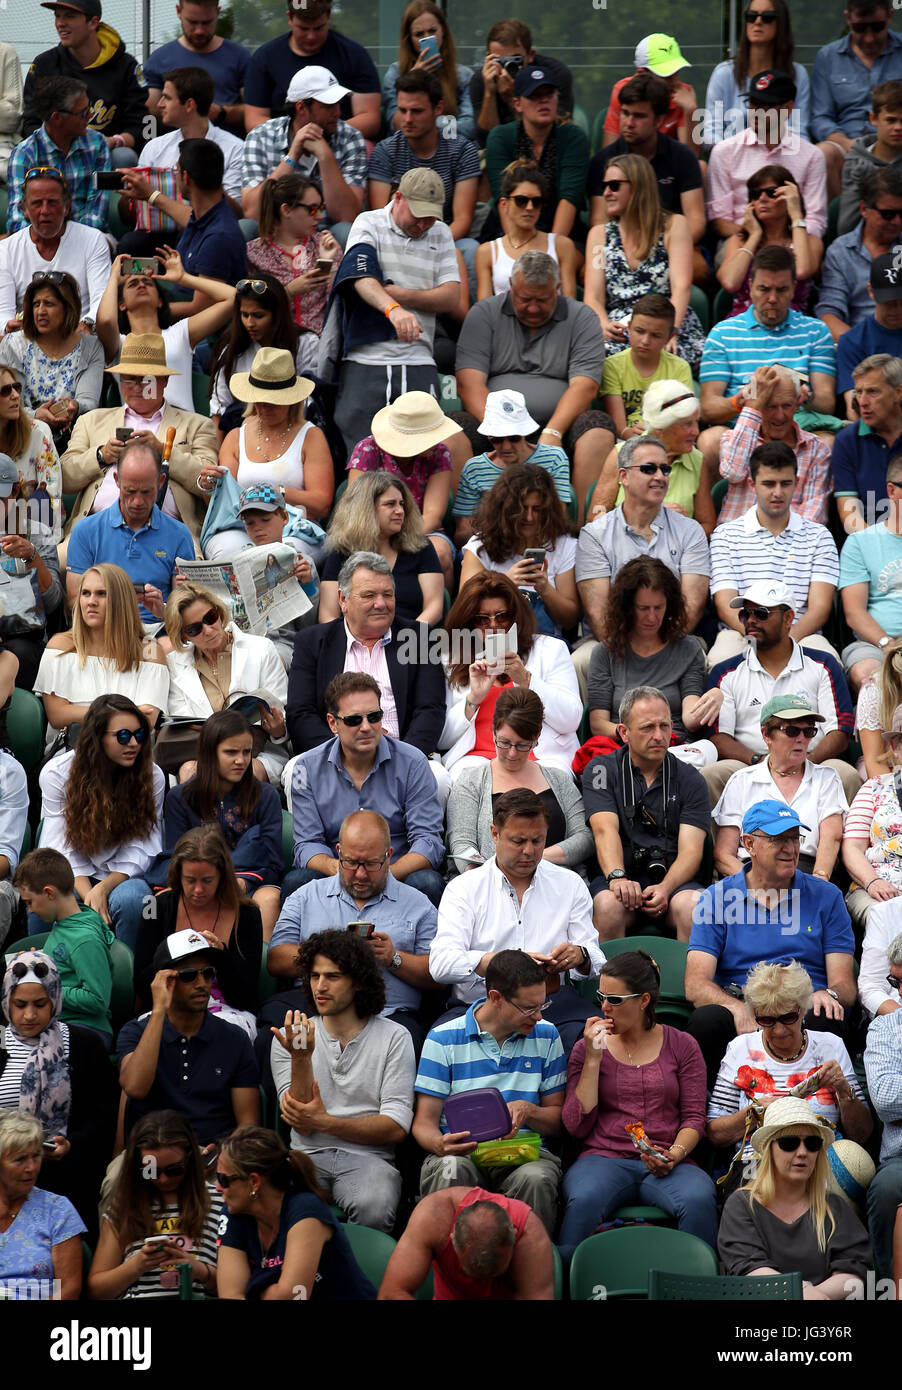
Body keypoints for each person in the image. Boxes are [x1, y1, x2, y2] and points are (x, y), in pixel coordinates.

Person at [558, 949, 716, 1261]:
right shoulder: (586, 1046)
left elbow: (694, 1117)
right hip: (603, 1156)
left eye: (615, 1000)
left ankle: (699, 1285)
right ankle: (565, 1282)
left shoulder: (683, 1045)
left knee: (699, 1198)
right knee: (584, 1198)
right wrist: (592, 1057)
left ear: (644, 1001)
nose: (604, 1008)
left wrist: (675, 1154)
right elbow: (576, 1125)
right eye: (602, 997)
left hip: (667, 1156)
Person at [686, 801, 857, 1086]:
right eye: (778, 839)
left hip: (805, 1004)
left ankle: (829, 1110)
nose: (791, 849)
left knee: (826, 1015)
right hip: (743, 999)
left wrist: (829, 994)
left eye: (794, 838)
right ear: (749, 843)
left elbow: (846, 987)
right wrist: (738, 1009)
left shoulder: (827, 896)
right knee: (707, 1020)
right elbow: (695, 984)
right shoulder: (716, 898)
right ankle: (708, 1116)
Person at [429, 789, 604, 1054]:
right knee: (439, 1045)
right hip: (481, 1007)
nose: (529, 851)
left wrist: (580, 956)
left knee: (598, 1039)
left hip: (552, 1004)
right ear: (494, 833)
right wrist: (502, 964)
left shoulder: (569, 884)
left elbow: (596, 960)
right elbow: (441, 965)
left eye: (538, 840)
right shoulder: (463, 888)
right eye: (518, 841)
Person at [270, 929, 416, 1232]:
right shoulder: (293, 1036)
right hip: (305, 1157)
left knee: (374, 1207)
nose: (320, 987)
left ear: (359, 981)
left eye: (333, 977)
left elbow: (395, 1126)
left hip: (370, 1158)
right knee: (277, 1203)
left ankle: (359, 1277)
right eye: (314, 976)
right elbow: (301, 1123)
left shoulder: (395, 1036)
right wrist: (301, 1057)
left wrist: (327, 1122)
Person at [412, 950, 565, 1233]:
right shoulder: (443, 1038)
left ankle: (530, 1267)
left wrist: (529, 1110)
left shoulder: (547, 1034)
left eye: (542, 1005)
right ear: (496, 998)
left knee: (537, 1178)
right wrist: (438, 1144)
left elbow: (558, 1122)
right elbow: (423, 1124)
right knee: (451, 1170)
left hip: (524, 1153)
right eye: (528, 1008)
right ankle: (449, 1268)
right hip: (460, 1153)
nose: (538, 1016)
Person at [317, 166, 462, 461]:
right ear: (398, 197)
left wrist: (402, 295)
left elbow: (451, 296)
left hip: (419, 357)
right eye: (418, 215)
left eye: (430, 216)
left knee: (422, 457)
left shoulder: (441, 232)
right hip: (365, 358)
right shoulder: (369, 222)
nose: (423, 224)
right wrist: (393, 309)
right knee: (361, 456)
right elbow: (360, 277)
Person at [455, 250, 612, 524]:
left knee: (597, 428)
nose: (533, 308)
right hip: (493, 423)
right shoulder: (484, 313)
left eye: (542, 299)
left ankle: (579, 530)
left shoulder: (582, 317)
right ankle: (466, 528)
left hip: (557, 425)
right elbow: (469, 384)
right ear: (511, 288)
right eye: (524, 299)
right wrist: (502, 430)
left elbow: (585, 385)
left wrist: (553, 431)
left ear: (558, 289)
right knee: (453, 430)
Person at [267, 809, 438, 1049]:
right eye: (351, 862)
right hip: (316, 1010)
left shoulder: (419, 904)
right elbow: (276, 960)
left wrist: (394, 958)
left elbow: (439, 974)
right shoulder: (305, 897)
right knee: (271, 1030)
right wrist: (325, 955)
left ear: (388, 856)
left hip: (387, 1016)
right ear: (338, 853)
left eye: (370, 864)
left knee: (407, 1042)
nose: (360, 874)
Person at [286, 670, 445, 907]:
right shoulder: (305, 768)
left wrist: (384, 874)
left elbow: (428, 841)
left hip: (397, 873)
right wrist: (343, 871)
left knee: (428, 882)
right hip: (336, 876)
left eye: (374, 717)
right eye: (353, 720)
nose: (366, 727)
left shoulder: (413, 762)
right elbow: (307, 845)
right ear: (333, 723)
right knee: (298, 881)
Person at [708, 961, 872, 1189]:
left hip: (819, 1161)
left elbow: (862, 1135)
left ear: (802, 1009)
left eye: (788, 1018)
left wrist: (844, 1091)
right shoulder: (740, 1049)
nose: (779, 1030)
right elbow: (715, 1134)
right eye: (766, 1020)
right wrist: (754, 1114)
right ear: (755, 1015)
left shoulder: (830, 1046)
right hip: (757, 1163)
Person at [574, 436, 711, 698]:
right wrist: (639, 652)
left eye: (665, 469)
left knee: (705, 658)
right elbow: (601, 618)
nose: (660, 476)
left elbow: (691, 610)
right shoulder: (595, 535)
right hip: (612, 645)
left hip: (673, 641)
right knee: (579, 661)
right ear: (623, 476)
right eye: (649, 469)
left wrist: (655, 649)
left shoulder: (690, 531)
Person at [701, 580, 858, 806]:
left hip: (813, 763)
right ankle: (725, 843)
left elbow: (840, 731)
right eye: (746, 614)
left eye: (762, 613)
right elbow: (718, 736)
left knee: (846, 775)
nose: (752, 620)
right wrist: (758, 760)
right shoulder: (725, 671)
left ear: (787, 619)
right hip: (749, 765)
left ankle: (846, 842)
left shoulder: (823, 665)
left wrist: (805, 763)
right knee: (712, 775)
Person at [0, 949, 117, 1244]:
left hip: (69, 1175)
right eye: (20, 1004)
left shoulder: (84, 1044)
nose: (29, 1015)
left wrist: (72, 1144)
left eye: (40, 1004)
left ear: (55, 999)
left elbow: (104, 1116)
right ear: (6, 1002)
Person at [61, 334, 217, 552]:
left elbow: (209, 483)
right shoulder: (91, 421)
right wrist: (100, 456)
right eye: (128, 378)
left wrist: (165, 452)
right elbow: (63, 478)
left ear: (163, 381)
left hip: (169, 534)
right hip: (96, 530)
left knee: (188, 578)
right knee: (58, 563)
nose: (136, 386)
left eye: (145, 379)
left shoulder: (197, 425)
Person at [286, 551, 446, 757]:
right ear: (343, 599)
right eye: (369, 595)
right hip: (330, 759)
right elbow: (300, 713)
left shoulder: (420, 638)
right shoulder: (312, 642)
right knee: (293, 775)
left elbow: (430, 709)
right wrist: (338, 758)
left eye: (387, 595)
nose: (380, 604)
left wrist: (404, 759)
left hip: (404, 758)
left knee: (439, 781)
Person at [583, 687, 711, 943]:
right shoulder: (601, 769)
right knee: (608, 906)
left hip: (674, 883)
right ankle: (607, 984)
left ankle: (692, 982)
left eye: (665, 726)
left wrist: (666, 887)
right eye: (647, 727)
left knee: (696, 906)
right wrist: (618, 877)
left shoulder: (691, 778)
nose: (659, 736)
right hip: (619, 878)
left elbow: (691, 851)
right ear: (624, 732)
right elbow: (604, 830)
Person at [37, 695, 164, 951]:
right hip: (72, 872)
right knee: (45, 893)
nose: (134, 744)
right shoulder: (57, 774)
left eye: (140, 735)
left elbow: (144, 845)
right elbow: (60, 845)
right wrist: (89, 893)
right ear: (97, 736)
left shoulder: (152, 776)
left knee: (135, 901)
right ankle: (45, 975)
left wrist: (104, 888)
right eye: (123, 736)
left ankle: (131, 982)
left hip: (123, 875)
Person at [697, 248, 837, 470]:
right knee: (710, 440)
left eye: (781, 290)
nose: (772, 298)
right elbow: (708, 408)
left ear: (793, 289)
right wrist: (743, 400)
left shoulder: (816, 332)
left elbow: (827, 402)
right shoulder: (723, 333)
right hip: (742, 430)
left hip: (797, 428)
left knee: (828, 442)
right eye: (764, 289)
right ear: (750, 287)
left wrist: (804, 396)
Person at [117, 928, 260, 1144]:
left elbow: (248, 1126)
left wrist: (221, 1154)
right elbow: (135, 1087)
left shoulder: (235, 1038)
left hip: (216, 1163)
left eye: (208, 973)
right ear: (163, 980)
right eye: (189, 975)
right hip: (152, 1160)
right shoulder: (135, 1032)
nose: (202, 983)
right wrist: (158, 1011)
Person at [718, 1096, 870, 1296]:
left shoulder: (834, 1206)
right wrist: (800, 1293)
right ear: (769, 1150)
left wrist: (811, 1296)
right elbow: (749, 1268)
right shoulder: (741, 1205)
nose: (802, 1152)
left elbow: (853, 1272)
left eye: (812, 1143)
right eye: (789, 1143)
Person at [707, 441, 839, 668]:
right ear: (752, 484)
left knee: (829, 663)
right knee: (720, 659)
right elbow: (725, 604)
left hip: (801, 634)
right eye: (768, 484)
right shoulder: (725, 535)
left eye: (785, 483)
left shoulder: (819, 536)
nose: (778, 492)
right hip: (740, 633)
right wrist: (761, 638)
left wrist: (784, 642)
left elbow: (819, 608)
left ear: (796, 483)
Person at [440, 572, 582, 777]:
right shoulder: (450, 658)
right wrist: (474, 698)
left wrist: (525, 680)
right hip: (476, 757)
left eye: (502, 616)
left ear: (516, 616)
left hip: (541, 756)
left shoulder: (551, 649)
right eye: (482, 619)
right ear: (469, 622)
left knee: (553, 778)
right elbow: (442, 738)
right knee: (467, 778)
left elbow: (571, 720)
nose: (494, 626)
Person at [215, 1124, 376, 1299]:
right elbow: (230, 1294)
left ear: (254, 1182)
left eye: (223, 1179)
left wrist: (250, 1291)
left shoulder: (306, 1209)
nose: (217, 1188)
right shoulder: (234, 1212)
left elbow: (293, 1296)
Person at [446, 686, 594, 876]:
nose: (512, 753)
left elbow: (584, 837)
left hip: (557, 884)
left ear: (537, 738)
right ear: (493, 731)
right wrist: (490, 876)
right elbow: (462, 843)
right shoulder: (471, 780)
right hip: (489, 885)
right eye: (505, 742)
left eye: (523, 745)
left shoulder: (558, 780)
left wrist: (533, 858)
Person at [159, 713, 283, 941]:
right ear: (209, 753)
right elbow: (174, 860)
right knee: (167, 898)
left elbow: (274, 863)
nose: (241, 760)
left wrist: (243, 883)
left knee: (268, 899)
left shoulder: (266, 796)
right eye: (231, 752)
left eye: (246, 752)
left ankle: (260, 975)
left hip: (251, 883)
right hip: (198, 883)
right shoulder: (180, 798)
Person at [133, 824, 263, 1032]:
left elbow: (245, 994)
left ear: (222, 876)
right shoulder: (154, 906)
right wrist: (173, 957)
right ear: (178, 875)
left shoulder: (248, 914)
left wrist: (221, 956)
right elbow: (141, 982)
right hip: (168, 1008)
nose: (198, 890)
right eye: (190, 880)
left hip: (229, 1014)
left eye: (208, 880)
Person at [584, 153, 703, 375]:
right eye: (604, 186)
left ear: (638, 186)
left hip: (666, 322)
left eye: (614, 185)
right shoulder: (598, 235)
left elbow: (681, 287)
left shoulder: (673, 226)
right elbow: (593, 296)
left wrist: (671, 330)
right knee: (595, 361)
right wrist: (603, 324)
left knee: (685, 355)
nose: (606, 193)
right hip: (621, 329)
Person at [63, 434, 200, 624]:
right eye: (130, 491)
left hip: (157, 636)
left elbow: (183, 608)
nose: (138, 501)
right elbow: (74, 602)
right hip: (102, 632)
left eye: (146, 492)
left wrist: (163, 609)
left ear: (161, 482)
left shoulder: (179, 534)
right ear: (117, 481)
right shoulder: (86, 530)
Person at [586, 558, 720, 752]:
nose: (651, 617)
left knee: (707, 750)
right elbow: (598, 724)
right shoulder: (604, 653)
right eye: (643, 608)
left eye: (659, 608)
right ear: (627, 607)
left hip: (674, 748)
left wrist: (717, 694)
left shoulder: (688, 648)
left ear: (670, 605)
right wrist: (638, 734)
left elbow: (690, 720)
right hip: (623, 748)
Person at [87, 1109, 223, 1300]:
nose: (164, 1179)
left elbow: (240, 1285)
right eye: (151, 1171)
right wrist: (136, 1265)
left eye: (174, 1170)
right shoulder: (123, 1208)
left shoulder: (219, 1203)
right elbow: (96, 1291)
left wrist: (201, 1271)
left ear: (190, 1160)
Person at [163, 581, 289, 786]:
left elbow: (284, 713)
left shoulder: (261, 649)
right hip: (202, 754)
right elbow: (183, 723)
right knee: (189, 771)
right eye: (195, 629)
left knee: (246, 770)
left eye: (210, 618)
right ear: (183, 635)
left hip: (258, 752)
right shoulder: (175, 664)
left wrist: (278, 728)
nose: (208, 629)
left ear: (219, 612)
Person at [712, 695, 848, 881]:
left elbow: (831, 838)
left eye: (808, 732)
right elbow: (723, 854)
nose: (801, 738)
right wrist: (755, 886)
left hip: (807, 873)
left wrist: (817, 884)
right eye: (792, 731)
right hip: (752, 874)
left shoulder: (827, 778)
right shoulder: (741, 781)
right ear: (766, 734)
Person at [35, 564, 169, 751]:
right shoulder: (59, 646)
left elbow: (146, 720)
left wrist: (83, 712)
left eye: (102, 594)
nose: (91, 601)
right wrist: (122, 712)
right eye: (86, 593)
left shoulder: (149, 652)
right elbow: (57, 715)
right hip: (74, 750)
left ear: (121, 600)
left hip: (130, 753)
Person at [212, 345, 333, 541]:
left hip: (295, 528)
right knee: (227, 547)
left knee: (287, 553)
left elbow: (322, 504)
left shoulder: (311, 436)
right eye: (259, 398)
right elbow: (222, 500)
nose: (264, 406)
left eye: (273, 400)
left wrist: (278, 492)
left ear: (291, 400)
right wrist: (209, 485)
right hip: (244, 526)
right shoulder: (235, 436)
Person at [95, 250, 237, 415]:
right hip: (136, 432)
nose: (141, 284)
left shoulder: (181, 333)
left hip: (181, 431)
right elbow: (105, 320)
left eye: (148, 283)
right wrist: (113, 279)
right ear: (121, 304)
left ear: (160, 300)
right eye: (133, 284)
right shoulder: (118, 342)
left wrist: (184, 278)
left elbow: (233, 298)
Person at [366, 70, 480, 275]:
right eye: (402, 110)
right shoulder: (385, 151)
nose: (407, 119)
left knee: (470, 249)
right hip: (395, 240)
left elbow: (462, 220)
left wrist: (429, 244)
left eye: (416, 111)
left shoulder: (462, 150)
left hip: (444, 237)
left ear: (438, 108)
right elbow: (382, 218)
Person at [346, 390, 459, 587]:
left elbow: (432, 515)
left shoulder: (440, 453)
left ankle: (444, 614)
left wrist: (402, 540)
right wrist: (385, 539)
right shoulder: (367, 449)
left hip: (423, 530)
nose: (438, 440)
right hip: (372, 529)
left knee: (440, 552)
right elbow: (357, 508)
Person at [705, 70, 827, 244]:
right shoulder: (724, 151)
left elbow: (816, 220)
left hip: (792, 244)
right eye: (753, 104)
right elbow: (718, 220)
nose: (755, 112)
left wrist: (785, 243)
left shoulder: (812, 156)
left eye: (765, 106)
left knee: (814, 249)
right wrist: (758, 239)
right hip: (740, 241)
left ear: (788, 108)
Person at [121, 139, 247, 306]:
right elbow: (186, 217)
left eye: (176, 171)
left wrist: (143, 310)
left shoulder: (219, 238)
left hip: (194, 322)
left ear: (186, 177)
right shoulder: (208, 215)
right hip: (175, 291)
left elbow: (198, 309)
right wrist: (127, 269)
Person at [587, 73, 705, 251]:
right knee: (585, 271)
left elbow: (696, 221)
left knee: (700, 270)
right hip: (619, 248)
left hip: (672, 244)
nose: (629, 123)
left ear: (659, 120)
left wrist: (662, 250)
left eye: (639, 116)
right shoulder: (603, 160)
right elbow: (598, 221)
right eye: (625, 113)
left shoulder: (682, 156)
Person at [241, 65, 366, 231]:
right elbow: (253, 213)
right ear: (301, 107)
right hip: (275, 234)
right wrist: (292, 156)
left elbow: (347, 216)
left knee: (345, 231)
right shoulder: (260, 136)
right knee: (245, 228)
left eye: (338, 104)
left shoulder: (350, 137)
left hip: (326, 236)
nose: (337, 112)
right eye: (328, 106)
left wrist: (325, 156)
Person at [459, 464, 578, 638]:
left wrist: (545, 590)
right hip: (493, 640)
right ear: (505, 509)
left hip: (543, 642)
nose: (529, 517)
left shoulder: (565, 545)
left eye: (536, 509)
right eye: (522, 509)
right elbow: (464, 609)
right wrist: (505, 584)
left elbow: (569, 620)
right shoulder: (479, 546)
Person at [15, 842, 114, 1047]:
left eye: (29, 902)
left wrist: (46, 986)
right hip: (58, 1024)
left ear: (50, 893)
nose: (30, 911)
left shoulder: (85, 939)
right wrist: (37, 965)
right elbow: (64, 971)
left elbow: (98, 1000)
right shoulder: (63, 925)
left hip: (87, 1030)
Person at [378, 1185, 554, 1300]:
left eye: (494, 1274)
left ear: (514, 1237)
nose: (482, 1285)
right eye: (472, 1273)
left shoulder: (530, 1234)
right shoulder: (434, 1216)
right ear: (452, 1238)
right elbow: (390, 1294)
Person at [24, 0, 145, 162]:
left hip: (107, 152)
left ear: (93, 22)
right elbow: (30, 123)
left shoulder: (126, 65)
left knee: (124, 156)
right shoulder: (44, 64)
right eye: (57, 16)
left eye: (70, 16)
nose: (60, 23)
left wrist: (115, 141)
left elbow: (141, 125)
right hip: (56, 152)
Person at [242, 0, 381, 140]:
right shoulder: (265, 57)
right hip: (282, 147)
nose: (311, 36)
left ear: (329, 17)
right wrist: (295, 139)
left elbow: (369, 119)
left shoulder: (353, 54)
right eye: (303, 28)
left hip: (341, 143)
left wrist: (327, 135)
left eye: (318, 28)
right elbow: (254, 120)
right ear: (289, 17)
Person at [320, 471, 442, 626]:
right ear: (366, 509)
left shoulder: (420, 546)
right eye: (390, 504)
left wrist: (411, 636)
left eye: (402, 504)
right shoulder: (341, 551)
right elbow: (327, 614)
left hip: (409, 640)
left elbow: (434, 607)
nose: (400, 511)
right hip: (356, 644)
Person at [716, 364, 832, 526]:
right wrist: (752, 405)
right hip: (737, 544)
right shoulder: (732, 438)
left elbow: (813, 517)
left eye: (786, 406)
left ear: (797, 403)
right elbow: (733, 472)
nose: (779, 416)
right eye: (770, 406)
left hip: (791, 545)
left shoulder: (816, 449)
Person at [126, 66, 243, 226]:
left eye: (167, 98)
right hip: (157, 232)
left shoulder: (234, 148)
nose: (159, 104)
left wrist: (208, 182)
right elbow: (134, 212)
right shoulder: (155, 147)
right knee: (131, 243)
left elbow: (234, 214)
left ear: (189, 105)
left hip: (208, 231)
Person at [452, 389, 571, 543]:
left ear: (525, 434)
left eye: (514, 438)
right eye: (497, 439)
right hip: (491, 545)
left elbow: (557, 517)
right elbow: (463, 532)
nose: (506, 446)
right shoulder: (474, 468)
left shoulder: (554, 458)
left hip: (540, 541)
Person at [484, 66, 587, 244]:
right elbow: (504, 199)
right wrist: (517, 250)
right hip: (510, 233)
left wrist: (552, 251)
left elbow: (569, 199)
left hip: (563, 234)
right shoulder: (500, 137)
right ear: (517, 104)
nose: (543, 101)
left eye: (549, 94)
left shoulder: (573, 136)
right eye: (534, 96)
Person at [592, 381, 714, 530]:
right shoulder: (620, 455)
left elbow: (707, 525)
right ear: (661, 428)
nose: (696, 431)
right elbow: (595, 517)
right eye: (687, 424)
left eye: (696, 422)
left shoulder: (697, 460)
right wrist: (642, 520)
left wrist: (683, 526)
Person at [0, 270, 103, 444]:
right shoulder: (13, 344)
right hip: (20, 437)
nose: (40, 311)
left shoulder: (91, 347)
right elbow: (4, 400)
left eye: (49, 304)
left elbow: (88, 402)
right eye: (35, 304)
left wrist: (74, 406)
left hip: (73, 440)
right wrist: (36, 416)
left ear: (68, 307)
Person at [812, 0, 902, 199]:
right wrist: (846, 142)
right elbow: (820, 117)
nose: (869, 38)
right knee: (822, 154)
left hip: (897, 138)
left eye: (877, 27)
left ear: (890, 16)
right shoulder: (828, 56)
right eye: (860, 28)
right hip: (847, 144)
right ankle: (838, 223)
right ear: (847, 18)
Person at [0, 168, 109, 329]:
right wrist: (9, 326)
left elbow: (102, 301)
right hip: (28, 340)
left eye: (52, 202)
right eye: (37, 203)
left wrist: (87, 324)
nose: (45, 211)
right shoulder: (6, 249)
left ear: (67, 207)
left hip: (81, 338)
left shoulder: (93, 239)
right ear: (24, 210)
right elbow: (3, 313)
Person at [6, 76, 109, 235]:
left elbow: (97, 209)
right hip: (39, 239)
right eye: (83, 113)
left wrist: (71, 242)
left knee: (105, 244)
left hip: (88, 237)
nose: (90, 115)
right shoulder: (24, 153)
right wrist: (51, 241)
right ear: (57, 118)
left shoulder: (97, 143)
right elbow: (17, 217)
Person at [208, 275, 307, 438]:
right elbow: (218, 409)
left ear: (277, 314)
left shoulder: (304, 343)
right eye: (244, 315)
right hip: (241, 437)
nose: (249, 323)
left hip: (294, 435)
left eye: (258, 315)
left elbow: (308, 404)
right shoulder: (232, 349)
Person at [717, 165, 822, 317]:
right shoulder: (739, 241)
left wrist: (796, 214)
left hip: (793, 327)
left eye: (772, 192)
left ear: (790, 198)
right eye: (755, 194)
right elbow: (730, 283)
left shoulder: (810, 241)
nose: (762, 198)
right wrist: (754, 236)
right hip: (744, 327)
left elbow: (801, 270)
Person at [0, 1109, 84, 1300]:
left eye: (36, 1156)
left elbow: (69, 1289)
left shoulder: (57, 1209)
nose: (32, 1167)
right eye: (20, 1159)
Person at [246, 174, 341, 339]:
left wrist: (329, 264)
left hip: (319, 342)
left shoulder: (326, 245)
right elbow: (251, 310)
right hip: (273, 344)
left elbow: (338, 307)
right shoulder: (253, 252)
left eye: (321, 208)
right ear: (286, 210)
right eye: (312, 209)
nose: (319, 216)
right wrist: (289, 292)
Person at [839, 448, 902, 692]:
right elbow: (854, 613)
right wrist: (888, 645)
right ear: (891, 491)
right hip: (875, 644)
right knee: (868, 675)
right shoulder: (861, 542)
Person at [703, 0, 811, 143]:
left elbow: (800, 132)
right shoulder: (724, 73)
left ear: (781, 24)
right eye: (751, 16)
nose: (758, 22)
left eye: (767, 17)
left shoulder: (797, 75)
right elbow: (711, 134)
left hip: (781, 158)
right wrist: (735, 153)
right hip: (733, 159)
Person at [816, 167, 902, 339]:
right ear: (864, 209)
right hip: (860, 344)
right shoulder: (841, 252)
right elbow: (829, 313)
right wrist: (858, 346)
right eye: (888, 214)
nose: (897, 221)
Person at [144, 0, 251, 135]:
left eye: (206, 23)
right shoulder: (159, 59)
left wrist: (220, 113)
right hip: (174, 148)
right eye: (192, 22)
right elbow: (149, 112)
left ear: (217, 13)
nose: (199, 31)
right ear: (178, 11)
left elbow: (255, 111)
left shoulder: (240, 57)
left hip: (227, 149)